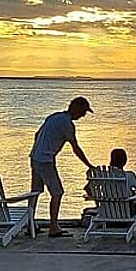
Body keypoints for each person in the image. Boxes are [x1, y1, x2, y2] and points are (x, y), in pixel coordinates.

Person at [30, 96, 95, 238]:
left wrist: (39, 149)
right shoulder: (67, 125)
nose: (83, 115)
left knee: (35, 192)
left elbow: (37, 135)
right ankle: (53, 227)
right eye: (83, 112)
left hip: (35, 157)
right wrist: (89, 165)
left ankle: (30, 224)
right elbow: (75, 148)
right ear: (76, 108)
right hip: (46, 160)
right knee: (57, 193)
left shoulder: (54, 117)